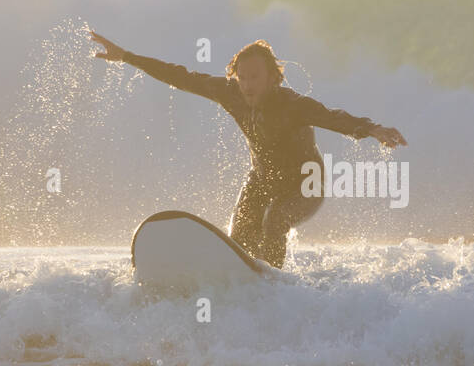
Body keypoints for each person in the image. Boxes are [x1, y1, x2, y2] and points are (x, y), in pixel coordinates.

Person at [91, 32, 406, 268]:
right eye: (242, 78)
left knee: (275, 219)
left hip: (306, 185)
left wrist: (372, 129)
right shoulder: (232, 94)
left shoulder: (292, 104)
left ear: (272, 77)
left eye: (254, 77)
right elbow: (182, 77)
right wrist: (127, 57)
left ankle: (271, 285)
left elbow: (331, 116)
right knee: (238, 238)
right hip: (263, 180)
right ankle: (245, 279)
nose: (247, 85)